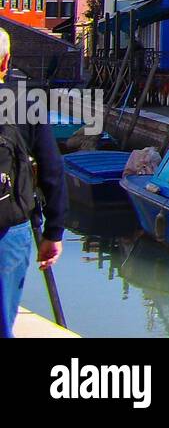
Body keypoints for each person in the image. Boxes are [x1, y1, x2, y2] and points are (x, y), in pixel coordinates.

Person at [0, 27, 67, 339]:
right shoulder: (24, 103)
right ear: (6, 63)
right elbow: (52, 169)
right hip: (8, 229)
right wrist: (53, 233)